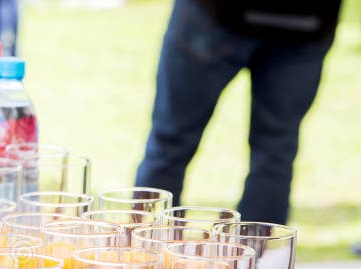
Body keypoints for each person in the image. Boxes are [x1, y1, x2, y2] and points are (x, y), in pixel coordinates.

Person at [136, 0, 342, 224]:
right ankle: (260, 256)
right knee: (276, 153)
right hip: (306, 22)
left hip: (218, 17)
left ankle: (146, 252)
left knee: (169, 145)